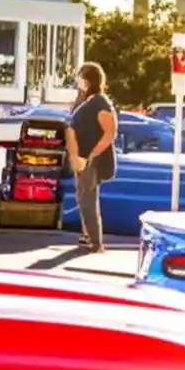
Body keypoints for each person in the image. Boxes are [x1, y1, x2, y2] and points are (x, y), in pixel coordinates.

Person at [65, 62, 118, 252]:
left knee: (88, 199)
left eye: (80, 76)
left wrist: (90, 155)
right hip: (80, 158)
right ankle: (87, 235)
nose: (77, 80)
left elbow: (109, 133)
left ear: (89, 80)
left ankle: (95, 242)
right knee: (83, 197)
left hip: (90, 160)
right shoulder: (85, 101)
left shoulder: (100, 104)